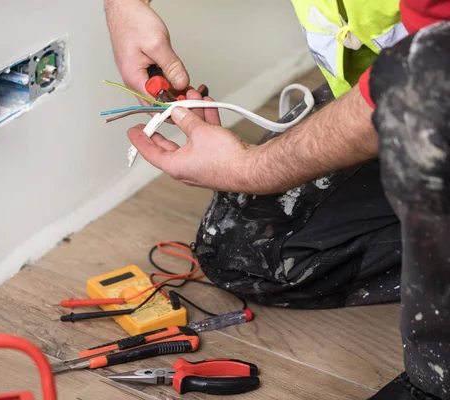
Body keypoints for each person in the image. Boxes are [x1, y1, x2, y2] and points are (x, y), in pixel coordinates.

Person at [104, 0, 450, 399]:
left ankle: (435, 383)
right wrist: (125, 7)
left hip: (432, 95)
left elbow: (430, 78)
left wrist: (251, 168)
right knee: (246, 251)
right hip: (390, 103)